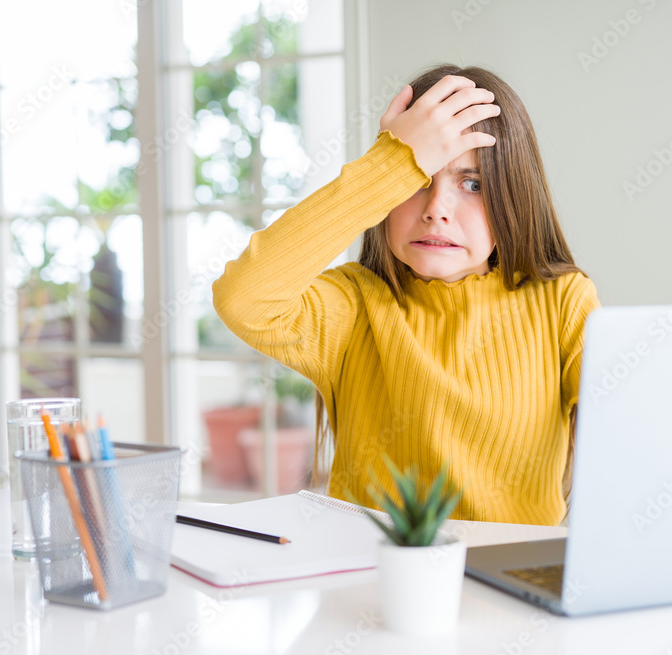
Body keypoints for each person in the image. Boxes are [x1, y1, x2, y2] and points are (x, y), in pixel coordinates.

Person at [213, 64, 600, 525]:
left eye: (473, 184)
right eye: (418, 180)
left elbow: (639, 437)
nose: (436, 210)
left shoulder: (562, 302)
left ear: (512, 196)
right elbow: (243, 298)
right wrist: (391, 163)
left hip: (514, 571)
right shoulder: (354, 306)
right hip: (371, 567)